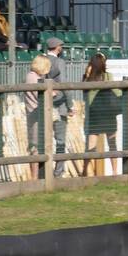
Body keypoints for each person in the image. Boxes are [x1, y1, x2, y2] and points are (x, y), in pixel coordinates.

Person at [82, 52, 121, 177]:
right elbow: (117, 92)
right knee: (112, 143)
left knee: (91, 144)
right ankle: (115, 172)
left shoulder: (88, 77)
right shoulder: (108, 76)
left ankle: (86, 171)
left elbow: (84, 95)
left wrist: (86, 74)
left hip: (94, 113)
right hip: (108, 113)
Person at [43, 36, 73, 177]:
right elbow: (64, 84)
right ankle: (58, 172)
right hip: (59, 105)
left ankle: (43, 172)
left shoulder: (41, 60)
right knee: (60, 140)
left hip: (43, 104)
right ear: (58, 47)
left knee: (43, 139)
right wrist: (70, 104)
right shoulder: (59, 62)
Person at [24, 53, 51, 178]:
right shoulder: (32, 77)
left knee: (39, 146)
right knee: (34, 147)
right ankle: (34, 177)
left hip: (37, 115)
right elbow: (39, 95)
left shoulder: (32, 76)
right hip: (35, 116)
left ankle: (39, 176)